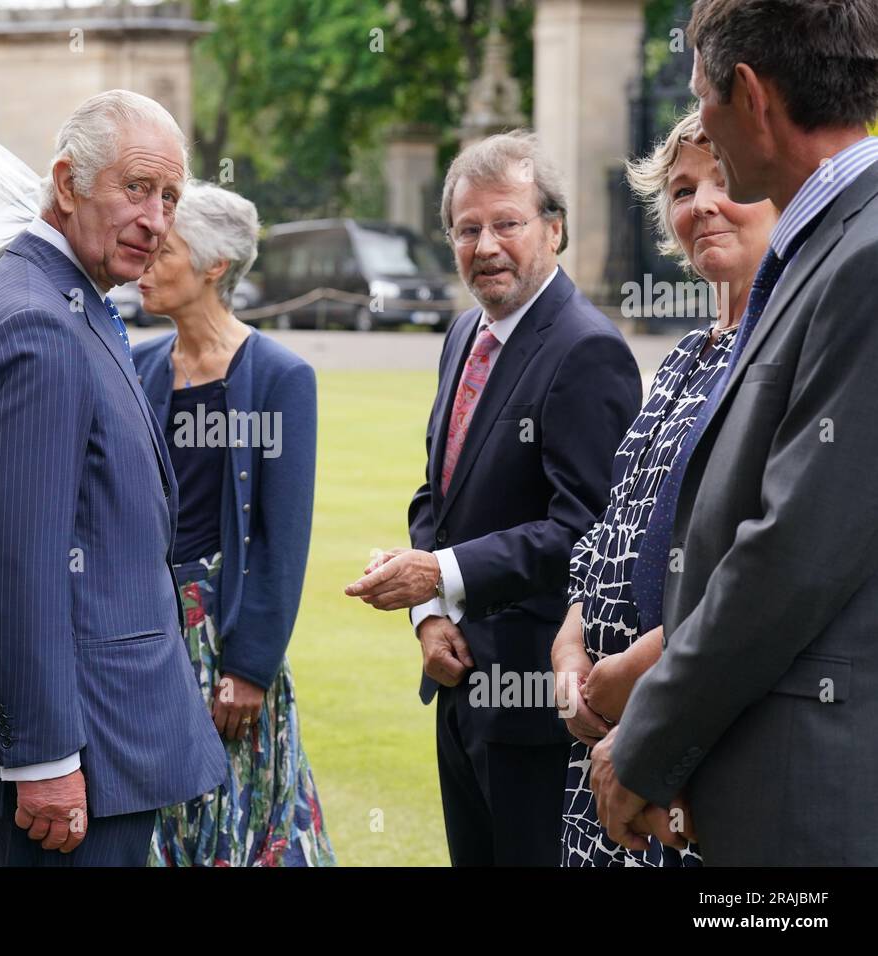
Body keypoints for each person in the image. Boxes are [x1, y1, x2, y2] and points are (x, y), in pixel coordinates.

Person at [591, 0, 878, 866]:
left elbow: (792, 553)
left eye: (701, 94)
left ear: (748, 94)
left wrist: (644, 740)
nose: (701, 122)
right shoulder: (831, 241)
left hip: (810, 802)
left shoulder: (861, 256)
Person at [0, 90, 227, 867]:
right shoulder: (38, 321)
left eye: (169, 197)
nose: (158, 219)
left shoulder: (68, 301)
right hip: (74, 769)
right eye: (137, 189)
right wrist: (44, 759)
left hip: (103, 752)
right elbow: (17, 567)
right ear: (66, 185)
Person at [345, 131, 641, 866]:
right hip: (459, 691)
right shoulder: (463, 335)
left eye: (506, 223)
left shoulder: (586, 350)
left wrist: (440, 573)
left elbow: (586, 533)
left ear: (555, 227)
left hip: (538, 710)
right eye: (467, 229)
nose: (485, 245)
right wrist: (430, 610)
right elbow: (436, 495)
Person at [555, 107, 777, 867]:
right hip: (605, 745)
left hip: (690, 744)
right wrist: (570, 640)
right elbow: (616, 520)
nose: (703, 204)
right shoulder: (686, 353)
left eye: (726, 182)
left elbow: (759, 571)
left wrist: (625, 678)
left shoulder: (786, 352)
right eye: (682, 189)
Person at [131, 180, 335, 866]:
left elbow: (283, 535)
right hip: (145, 635)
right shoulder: (137, 365)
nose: (147, 260)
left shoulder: (279, 376)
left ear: (214, 266)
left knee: (237, 821)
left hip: (228, 640)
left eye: (167, 249)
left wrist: (249, 667)